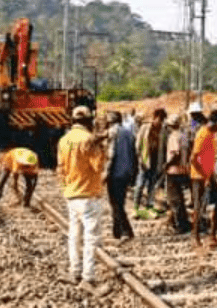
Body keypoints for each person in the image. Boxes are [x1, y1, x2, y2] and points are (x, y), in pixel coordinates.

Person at [58, 105, 109, 294]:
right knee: (90, 238)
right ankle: (88, 278)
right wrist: (101, 148)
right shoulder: (89, 140)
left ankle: (74, 271)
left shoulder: (64, 140)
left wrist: (67, 186)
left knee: (74, 235)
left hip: (71, 195)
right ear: (88, 121)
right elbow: (98, 167)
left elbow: (60, 168)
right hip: (88, 195)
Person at [190, 109, 217, 247]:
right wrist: (205, 177)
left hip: (208, 175)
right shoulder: (203, 134)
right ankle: (195, 238)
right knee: (199, 207)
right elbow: (193, 159)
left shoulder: (210, 134)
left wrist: (210, 175)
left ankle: (212, 236)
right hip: (199, 176)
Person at [103, 111, 137, 241]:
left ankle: (125, 231)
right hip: (127, 171)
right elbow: (134, 152)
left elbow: (111, 155)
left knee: (116, 203)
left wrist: (105, 173)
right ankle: (116, 230)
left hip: (116, 172)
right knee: (120, 201)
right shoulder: (129, 132)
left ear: (110, 121)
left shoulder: (113, 132)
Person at [134, 108, 167, 214]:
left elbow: (164, 147)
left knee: (152, 185)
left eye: (162, 120)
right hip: (145, 160)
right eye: (159, 119)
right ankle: (136, 208)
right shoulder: (144, 128)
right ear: (154, 117)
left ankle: (149, 206)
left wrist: (163, 163)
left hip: (156, 161)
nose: (160, 122)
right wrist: (140, 159)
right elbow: (138, 145)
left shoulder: (163, 130)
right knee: (140, 184)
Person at [163, 114, 192, 234]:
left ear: (170, 125)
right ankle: (183, 222)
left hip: (173, 170)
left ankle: (180, 225)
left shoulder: (173, 136)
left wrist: (167, 164)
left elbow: (175, 153)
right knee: (180, 198)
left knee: (174, 199)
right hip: (184, 170)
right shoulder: (184, 136)